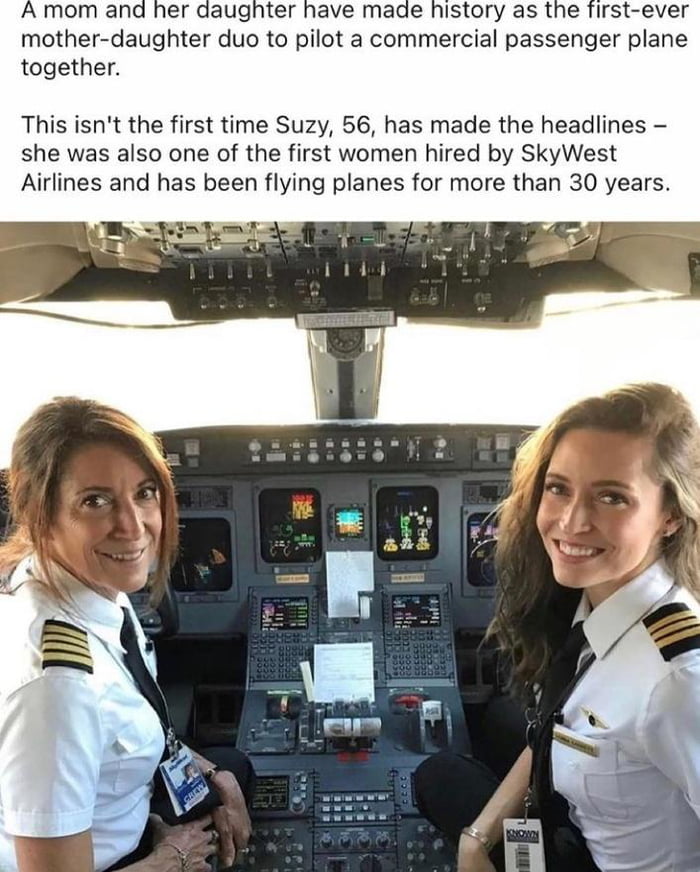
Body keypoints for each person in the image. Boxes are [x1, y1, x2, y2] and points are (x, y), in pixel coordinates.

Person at [415, 382, 700, 872]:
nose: (571, 522)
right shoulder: (598, 604)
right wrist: (476, 840)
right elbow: (556, 723)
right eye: (558, 488)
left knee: (440, 775)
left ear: (670, 515)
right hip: (578, 830)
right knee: (471, 749)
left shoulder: (678, 681)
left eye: (611, 497)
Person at [0, 397, 254, 872]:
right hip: (110, 858)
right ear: (41, 512)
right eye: (95, 501)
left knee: (233, 767)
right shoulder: (56, 688)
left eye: (144, 493)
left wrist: (212, 775)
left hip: (118, 809)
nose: (134, 527)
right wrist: (171, 858)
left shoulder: (82, 584)